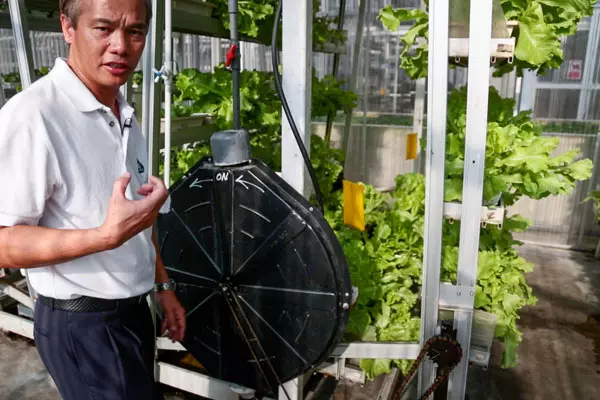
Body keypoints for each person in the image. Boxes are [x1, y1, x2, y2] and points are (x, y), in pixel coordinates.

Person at [0, 0, 186, 399]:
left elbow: (137, 219)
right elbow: (4, 242)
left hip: (133, 313)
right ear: (68, 27)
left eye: (135, 31)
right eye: (103, 29)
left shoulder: (122, 114)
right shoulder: (34, 116)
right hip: (84, 328)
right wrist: (103, 237)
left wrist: (162, 285)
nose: (121, 46)